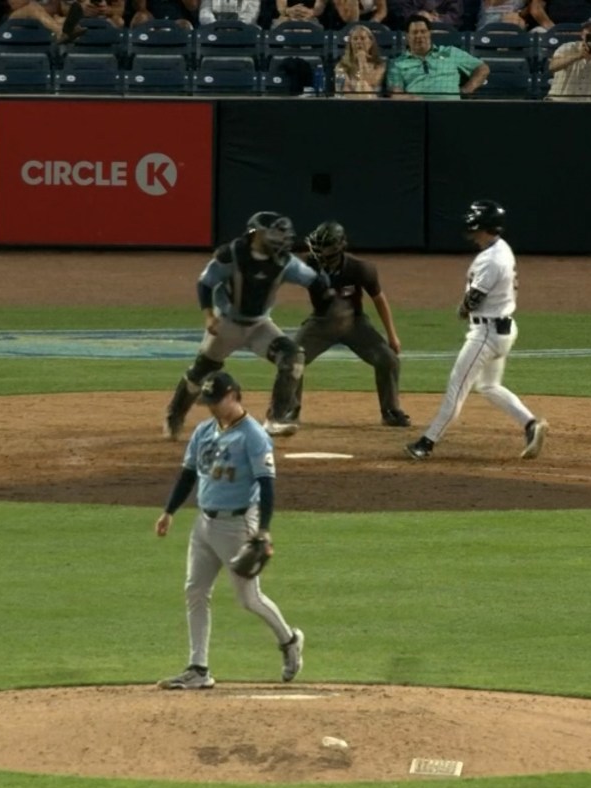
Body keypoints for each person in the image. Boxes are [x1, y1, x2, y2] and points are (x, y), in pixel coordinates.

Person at [155, 371, 306, 691]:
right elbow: (188, 474)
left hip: (238, 525)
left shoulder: (253, 436)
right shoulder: (204, 431)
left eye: (216, 400)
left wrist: (263, 531)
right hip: (204, 524)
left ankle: (289, 641)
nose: (210, 407)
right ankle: (198, 668)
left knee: (249, 598)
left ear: (234, 395)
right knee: (195, 591)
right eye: (207, 401)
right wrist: (169, 511)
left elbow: (267, 486)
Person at [405, 200, 548, 463]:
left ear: (485, 227)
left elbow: (473, 300)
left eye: (476, 227)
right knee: (489, 385)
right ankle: (530, 424)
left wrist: (461, 309)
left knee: (457, 387)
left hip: (486, 334)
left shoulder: (492, 260)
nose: (472, 232)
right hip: (502, 329)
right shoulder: (502, 249)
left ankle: (427, 442)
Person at [163, 212, 319, 442]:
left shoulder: (284, 262)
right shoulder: (232, 255)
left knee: (293, 357)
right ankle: (174, 415)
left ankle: (276, 418)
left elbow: (314, 280)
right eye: (274, 233)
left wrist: (329, 293)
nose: (280, 240)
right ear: (257, 233)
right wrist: (208, 316)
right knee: (200, 373)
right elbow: (205, 283)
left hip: (260, 325)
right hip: (226, 324)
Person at [290, 221, 409, 427]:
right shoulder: (309, 264)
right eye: (317, 245)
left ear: (337, 248)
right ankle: (288, 411)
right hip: (320, 322)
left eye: (323, 245)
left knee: (388, 359)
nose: (317, 250)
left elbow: (379, 299)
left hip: (355, 323)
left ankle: (391, 410)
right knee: (291, 358)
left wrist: (392, 336)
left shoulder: (360, 269)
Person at [387, 17, 489, 99]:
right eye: (415, 32)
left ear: (429, 33)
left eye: (423, 31)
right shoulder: (397, 63)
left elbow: (482, 68)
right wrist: (418, 100)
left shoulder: (451, 52)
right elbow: (396, 94)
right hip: (417, 111)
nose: (419, 36)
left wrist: (467, 89)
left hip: (451, 109)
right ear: (407, 36)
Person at [544, 13, 591, 100]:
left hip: (588, 107)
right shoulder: (567, 47)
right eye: (589, 30)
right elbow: (552, 66)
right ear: (582, 34)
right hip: (558, 102)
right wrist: (577, 56)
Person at [334, 23, 387, 97]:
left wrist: (362, 62)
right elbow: (344, 92)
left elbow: (370, 84)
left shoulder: (379, 65)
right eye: (355, 39)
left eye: (362, 38)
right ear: (350, 43)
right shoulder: (342, 66)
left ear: (371, 42)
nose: (358, 42)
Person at [527, 0, 591, 31]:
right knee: (537, 32)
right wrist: (554, 29)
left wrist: (587, 29)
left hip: (586, 29)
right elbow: (536, 8)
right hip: (551, 28)